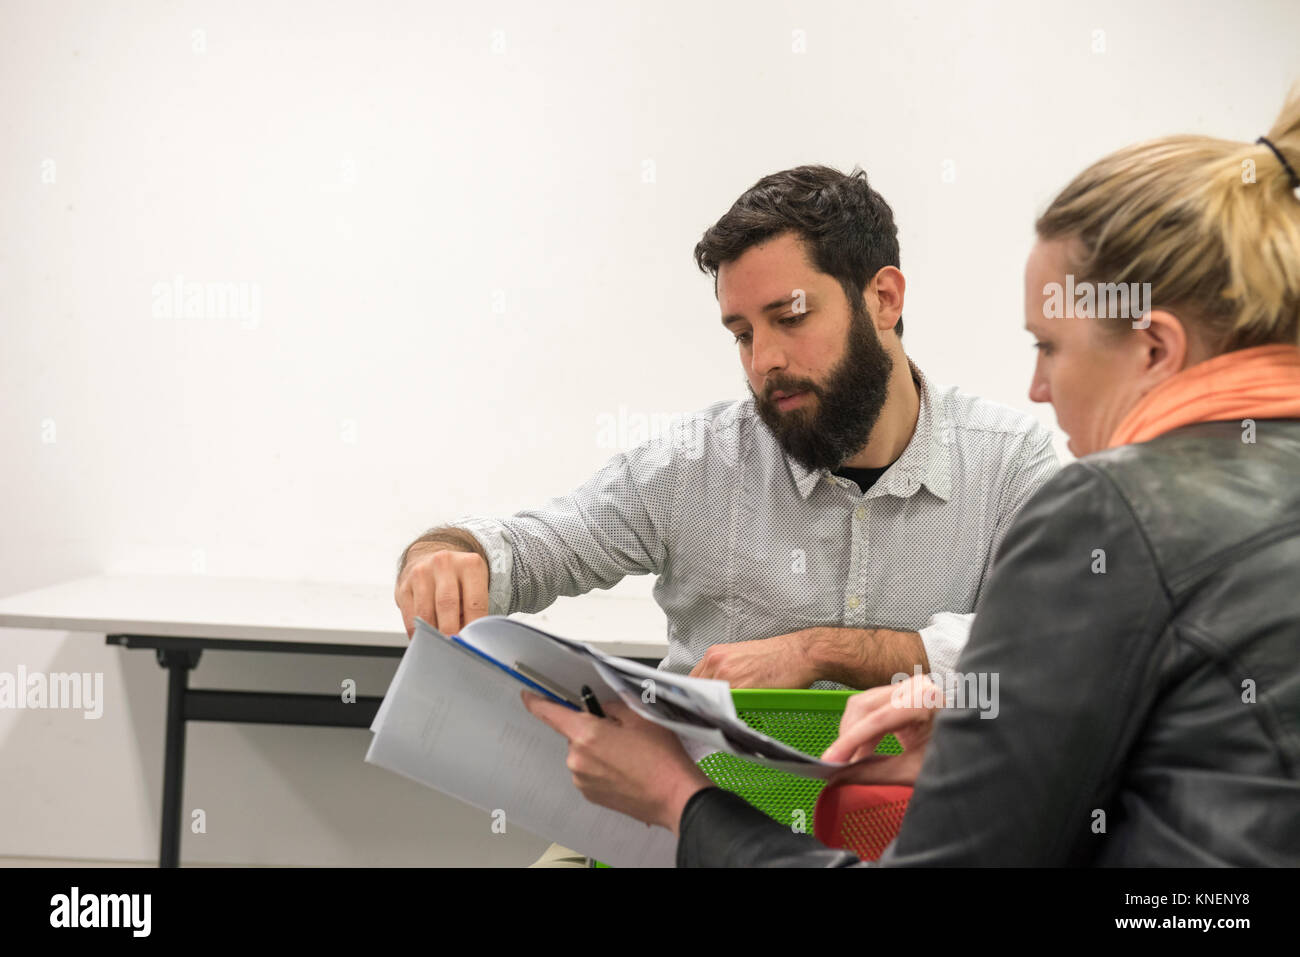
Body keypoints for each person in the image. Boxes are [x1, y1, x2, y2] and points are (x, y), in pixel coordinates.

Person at [524, 87, 1300, 866]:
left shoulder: (1101, 509)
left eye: (1050, 347)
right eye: (741, 333)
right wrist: (984, 745)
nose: (1037, 387)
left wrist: (676, 797)